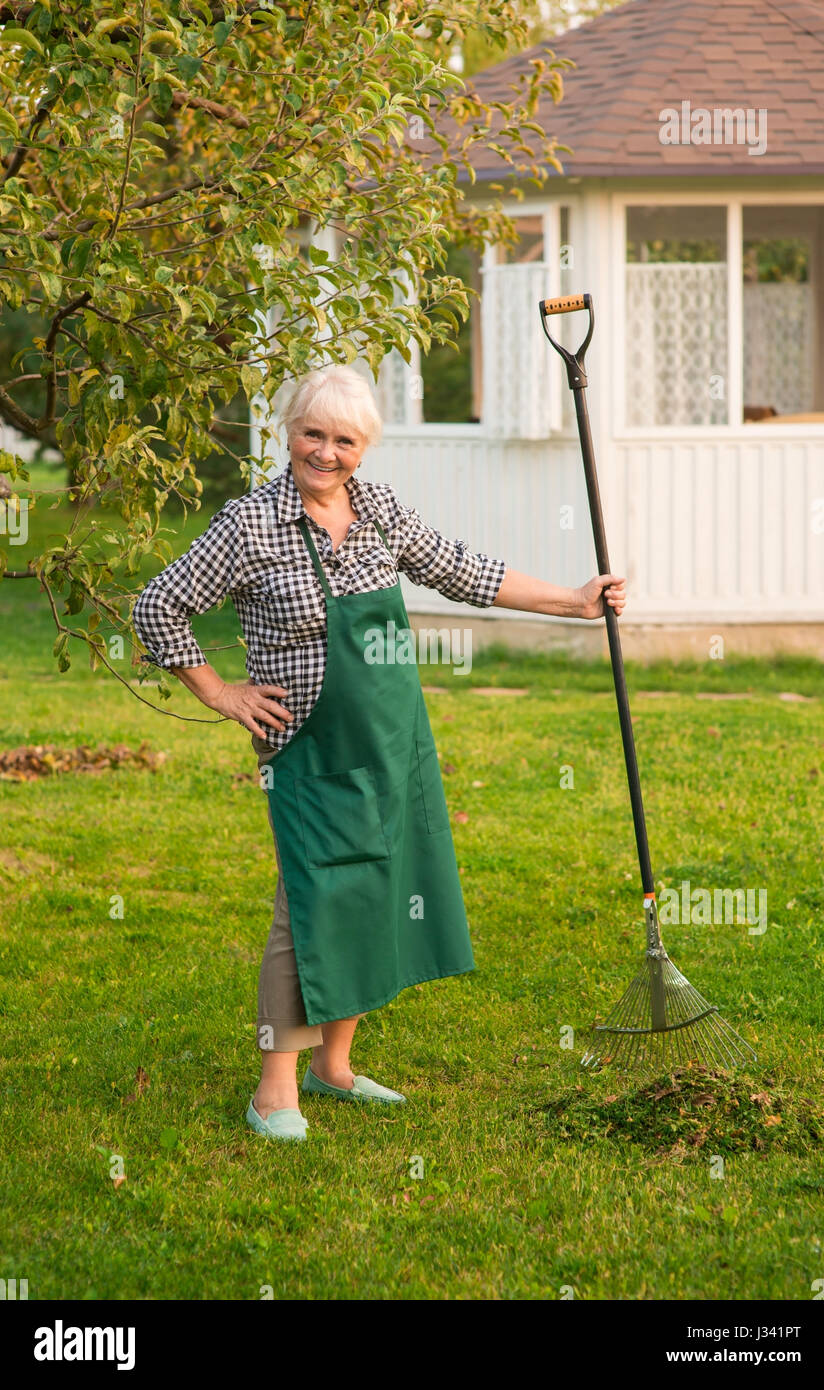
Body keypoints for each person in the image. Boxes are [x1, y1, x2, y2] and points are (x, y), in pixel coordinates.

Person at [132, 364, 626, 1142]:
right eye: (312, 433)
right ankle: (273, 1092)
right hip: (306, 745)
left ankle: (334, 1066)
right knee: (309, 903)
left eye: (344, 439)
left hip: (391, 738)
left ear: (364, 449)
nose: (325, 452)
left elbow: (461, 570)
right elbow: (158, 605)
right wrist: (221, 693)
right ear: (287, 431)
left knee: (374, 888)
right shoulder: (250, 523)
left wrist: (572, 601)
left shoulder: (379, 510)